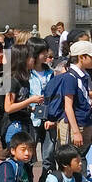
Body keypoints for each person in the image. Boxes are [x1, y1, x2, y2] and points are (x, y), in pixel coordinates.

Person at [54, 41, 92, 149]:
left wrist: (91, 102)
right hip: (74, 125)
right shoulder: (70, 77)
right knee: (73, 159)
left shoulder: (83, 75)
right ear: (82, 57)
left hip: (85, 121)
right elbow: (68, 106)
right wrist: (76, 132)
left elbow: (80, 97)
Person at [3, 45, 41, 147]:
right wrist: (30, 100)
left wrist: (30, 108)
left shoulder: (24, 80)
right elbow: (8, 107)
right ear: (22, 60)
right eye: (31, 57)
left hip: (24, 122)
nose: (33, 60)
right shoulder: (12, 80)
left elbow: (19, 102)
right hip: (14, 125)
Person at [28, 41, 57, 171]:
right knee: (28, 155)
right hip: (31, 117)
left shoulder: (50, 72)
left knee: (49, 155)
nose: (46, 55)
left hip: (48, 117)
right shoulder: (26, 73)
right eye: (42, 52)